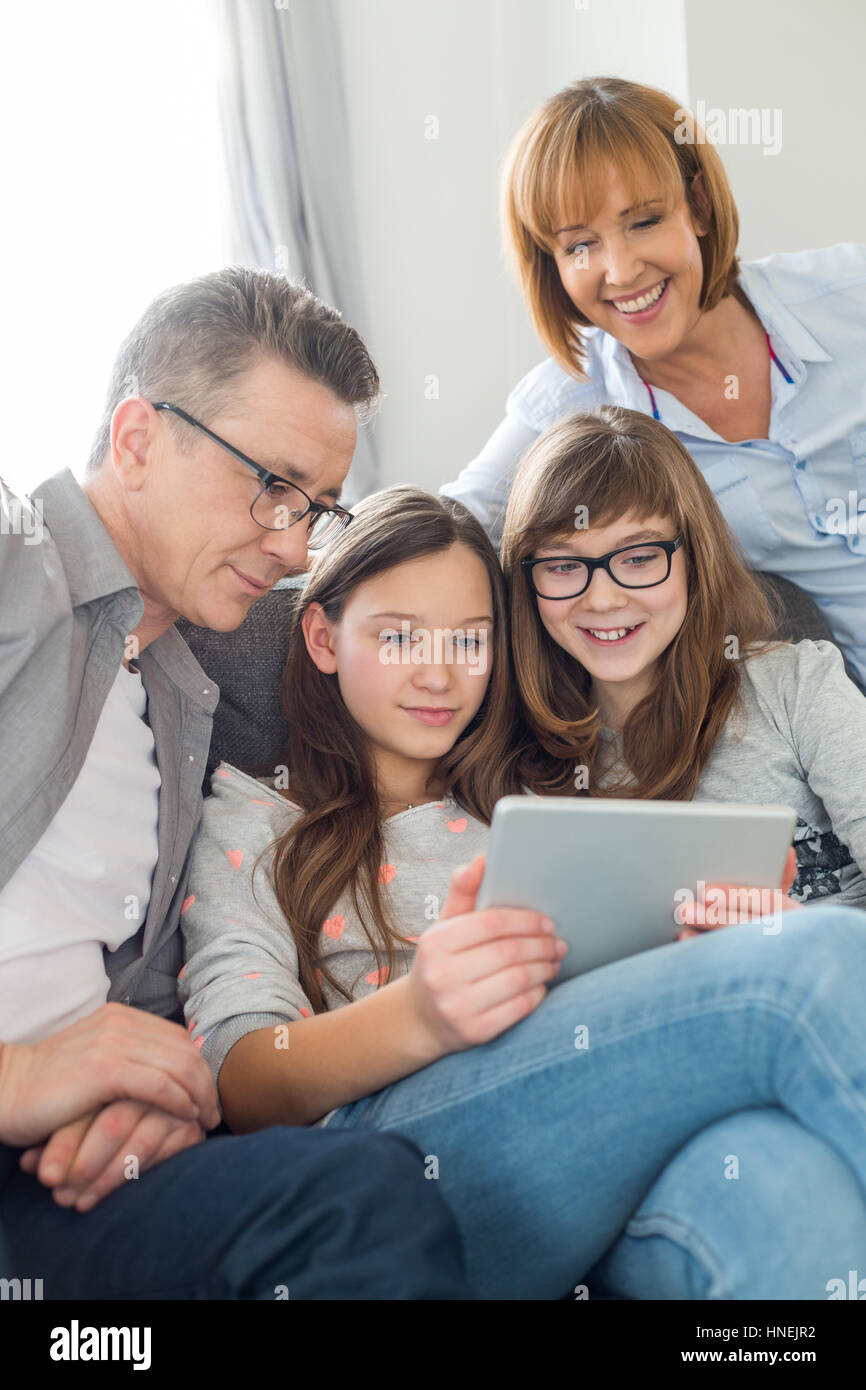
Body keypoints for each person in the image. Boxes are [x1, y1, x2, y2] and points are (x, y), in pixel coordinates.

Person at [179, 484, 866, 1301]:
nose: (439, 675)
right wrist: (423, 1014)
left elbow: (638, 1011)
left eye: (471, 641)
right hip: (410, 1157)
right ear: (324, 639)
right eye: (398, 638)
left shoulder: (558, 793)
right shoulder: (258, 817)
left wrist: (716, 942)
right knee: (816, 964)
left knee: (783, 1188)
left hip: (601, 1150)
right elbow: (244, 1082)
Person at [0, 268, 476, 1301]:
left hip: (68, 1176)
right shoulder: (13, 562)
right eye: (270, 485)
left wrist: (161, 1095)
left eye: (316, 507)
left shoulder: (178, 696)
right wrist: (19, 1079)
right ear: (136, 439)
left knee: (360, 1194)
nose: (294, 543)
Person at [439, 76, 866, 688]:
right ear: (553, 266)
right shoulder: (570, 404)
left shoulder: (850, 295)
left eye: (644, 221)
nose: (620, 269)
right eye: (580, 245)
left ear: (699, 205)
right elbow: (458, 523)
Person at [503, 406, 866, 910]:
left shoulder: (798, 685)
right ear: (527, 580)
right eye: (563, 564)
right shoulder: (515, 763)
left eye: (638, 558)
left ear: (694, 557)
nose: (603, 600)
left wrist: (798, 931)